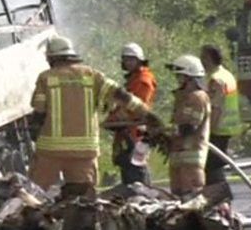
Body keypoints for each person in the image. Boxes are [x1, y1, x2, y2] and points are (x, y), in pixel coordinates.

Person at [28, 35, 161, 199]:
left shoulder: (46, 78)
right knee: (84, 201)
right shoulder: (92, 76)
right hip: (84, 152)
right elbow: (124, 97)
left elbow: (39, 111)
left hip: (50, 151)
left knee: (33, 195)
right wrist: (149, 115)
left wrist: (34, 133)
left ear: (51, 57)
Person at [106, 43, 158, 185]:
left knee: (135, 167)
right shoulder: (134, 79)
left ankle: (143, 197)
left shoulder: (143, 80)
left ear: (139, 60)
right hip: (128, 130)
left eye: (131, 59)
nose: (128, 63)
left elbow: (136, 107)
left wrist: (114, 120)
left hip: (135, 132)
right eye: (126, 59)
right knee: (129, 167)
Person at [162, 55, 212, 196]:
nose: (178, 80)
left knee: (192, 198)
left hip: (191, 160)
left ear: (190, 77)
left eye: (180, 76)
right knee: (178, 198)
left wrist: (164, 131)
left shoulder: (198, 97)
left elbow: (190, 127)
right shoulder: (183, 98)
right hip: (179, 157)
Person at [200, 44, 242, 186]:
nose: (201, 61)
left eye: (203, 57)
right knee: (216, 167)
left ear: (209, 59)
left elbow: (215, 107)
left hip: (218, 130)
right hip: (227, 128)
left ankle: (221, 200)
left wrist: (207, 132)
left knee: (212, 169)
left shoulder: (216, 80)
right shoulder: (227, 75)